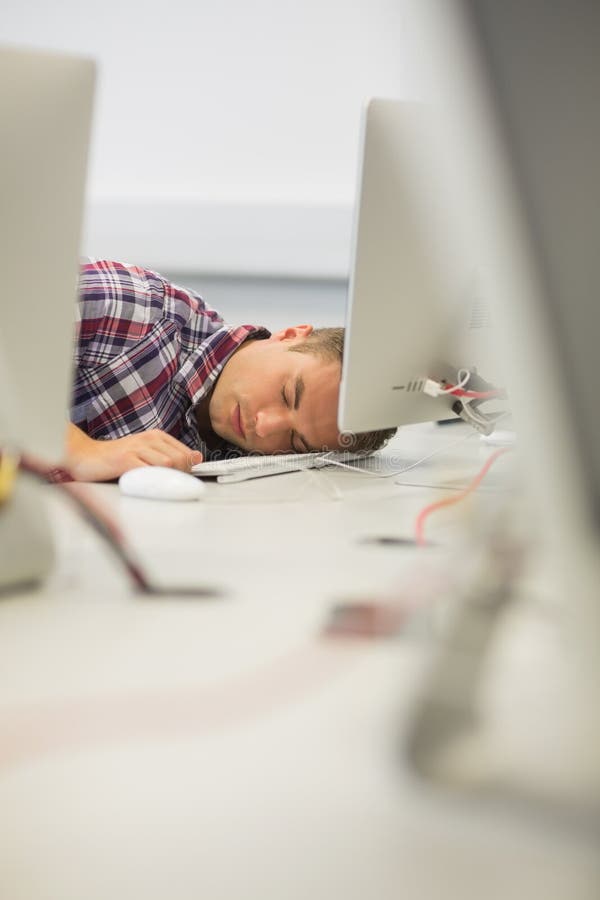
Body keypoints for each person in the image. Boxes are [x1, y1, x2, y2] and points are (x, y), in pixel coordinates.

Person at [65, 259, 395, 481]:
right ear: (291, 334)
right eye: (286, 394)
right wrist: (82, 451)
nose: (264, 428)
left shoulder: (242, 460)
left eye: (294, 442)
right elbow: (10, 336)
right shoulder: (134, 307)